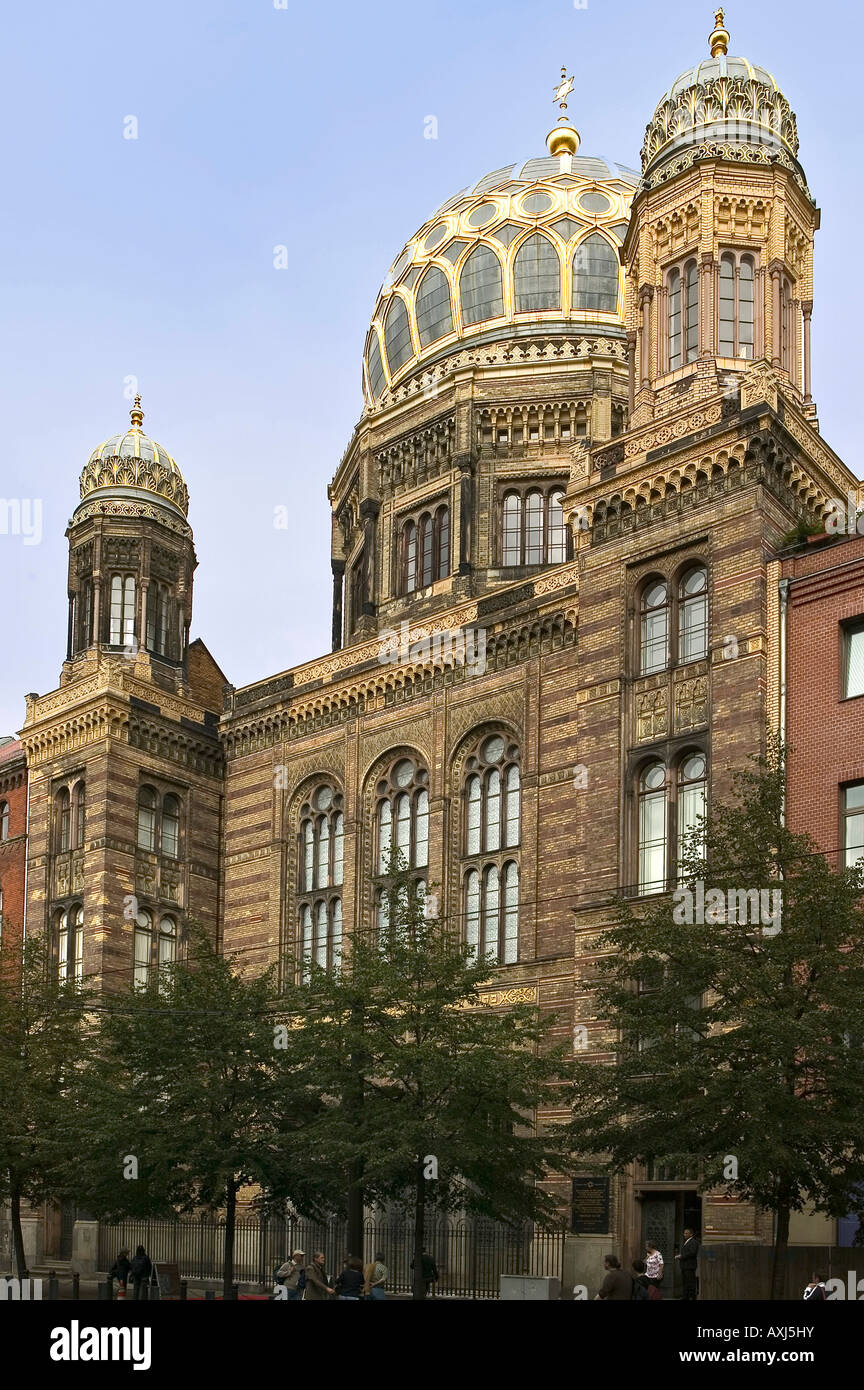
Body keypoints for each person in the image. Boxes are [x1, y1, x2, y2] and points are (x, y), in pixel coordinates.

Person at [676, 1228, 700, 1300]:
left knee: (690, 1283)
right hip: (685, 1266)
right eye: (684, 1233)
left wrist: (681, 1256)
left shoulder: (693, 1242)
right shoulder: (687, 1241)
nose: (684, 1235)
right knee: (686, 1282)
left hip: (689, 1266)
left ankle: (692, 1297)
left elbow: (692, 1252)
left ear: (691, 1234)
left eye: (686, 1233)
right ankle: (685, 1297)